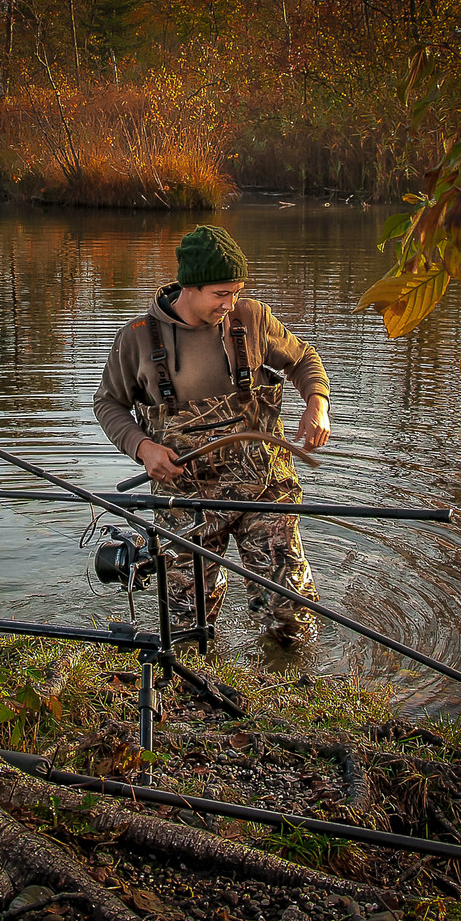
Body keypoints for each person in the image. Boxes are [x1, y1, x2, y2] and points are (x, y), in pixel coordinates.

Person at [93, 224, 331, 646]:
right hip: (184, 501)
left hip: (265, 491)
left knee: (288, 617)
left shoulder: (252, 319)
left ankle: (292, 687)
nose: (230, 303)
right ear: (190, 287)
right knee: (186, 630)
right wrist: (142, 446)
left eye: (236, 292)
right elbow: (108, 404)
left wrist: (317, 402)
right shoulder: (137, 339)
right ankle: (199, 696)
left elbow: (304, 359)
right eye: (221, 294)